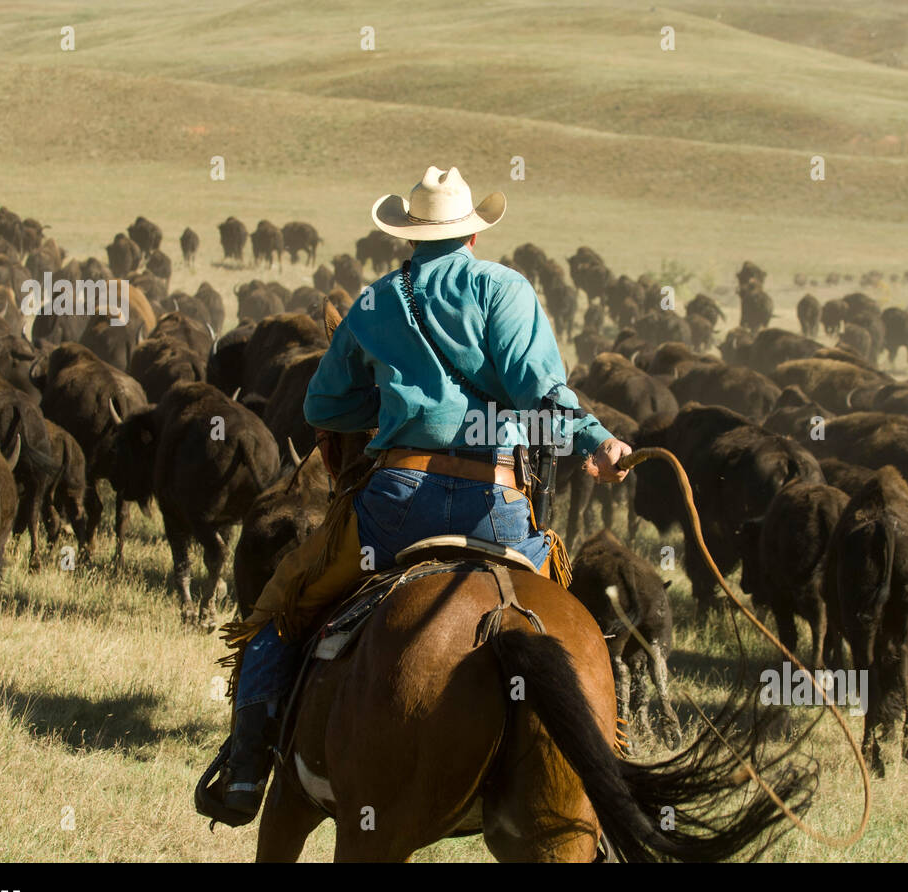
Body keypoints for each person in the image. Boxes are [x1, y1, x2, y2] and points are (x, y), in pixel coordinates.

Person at [197, 165, 632, 826]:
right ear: (473, 236)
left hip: (398, 502)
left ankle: (247, 765)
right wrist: (593, 438)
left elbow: (323, 402)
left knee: (282, 605)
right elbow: (538, 393)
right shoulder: (507, 289)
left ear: (408, 237)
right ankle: (594, 780)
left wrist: (396, 396)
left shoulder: (376, 302)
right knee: (565, 621)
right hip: (499, 504)